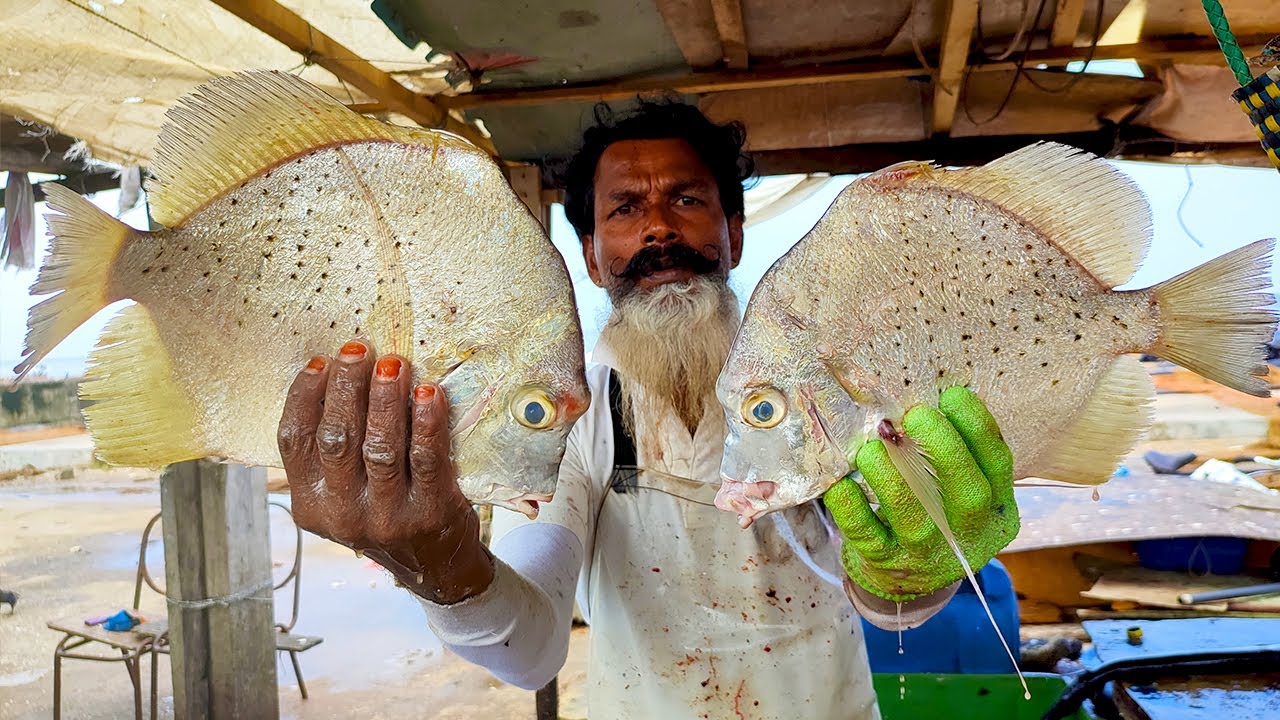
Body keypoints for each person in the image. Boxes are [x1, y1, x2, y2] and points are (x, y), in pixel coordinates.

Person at [277, 100, 1019, 719]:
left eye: (687, 200)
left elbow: (887, 611)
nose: (659, 228)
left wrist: (914, 569)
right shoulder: (562, 411)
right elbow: (530, 646)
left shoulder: (816, 388)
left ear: (732, 232)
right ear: (594, 257)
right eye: (627, 209)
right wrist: (441, 565)